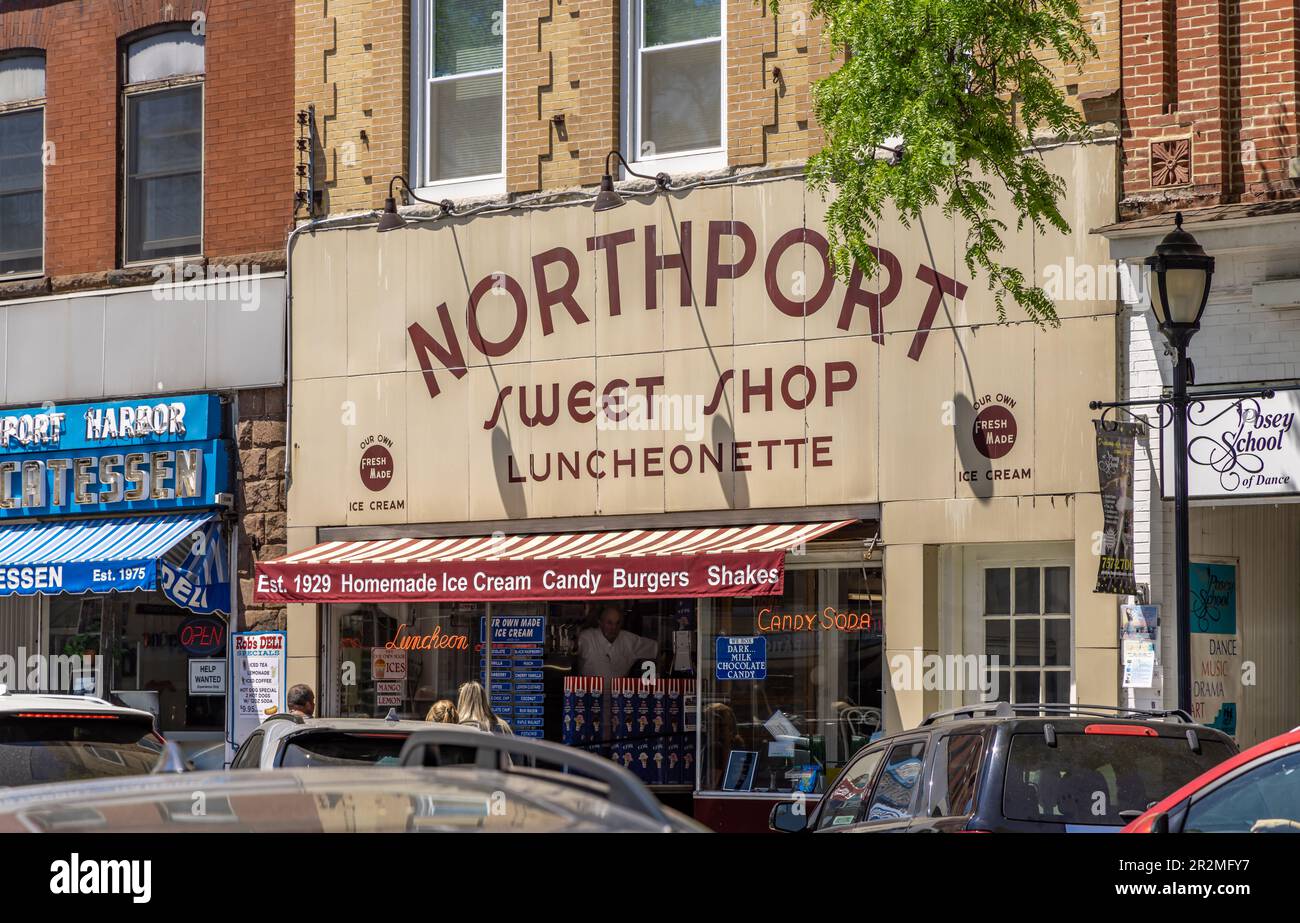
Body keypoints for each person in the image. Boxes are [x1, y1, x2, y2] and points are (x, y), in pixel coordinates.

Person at [576, 605, 659, 682]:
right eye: (609, 623)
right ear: (600, 622)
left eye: (617, 623)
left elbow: (657, 649)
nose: (614, 628)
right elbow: (572, 649)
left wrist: (654, 677)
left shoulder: (628, 639)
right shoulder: (587, 637)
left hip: (619, 695)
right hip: (589, 695)